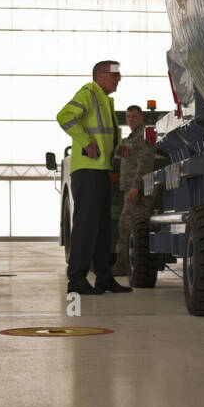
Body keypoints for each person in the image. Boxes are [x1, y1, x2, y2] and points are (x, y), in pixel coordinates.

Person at [56, 61, 131, 295]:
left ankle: (104, 278)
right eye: (115, 75)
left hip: (101, 170)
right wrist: (86, 142)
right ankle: (76, 281)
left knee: (102, 229)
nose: (119, 79)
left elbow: (106, 135)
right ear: (100, 76)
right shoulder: (89, 93)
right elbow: (64, 117)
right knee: (85, 228)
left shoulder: (105, 100)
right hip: (88, 170)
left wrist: (119, 147)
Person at [113, 105, 157, 276]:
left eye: (134, 116)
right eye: (128, 116)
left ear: (141, 118)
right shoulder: (131, 137)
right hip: (131, 188)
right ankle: (128, 265)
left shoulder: (143, 135)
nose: (130, 119)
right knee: (128, 226)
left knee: (127, 226)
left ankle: (124, 265)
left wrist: (135, 187)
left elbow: (145, 162)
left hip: (137, 189)